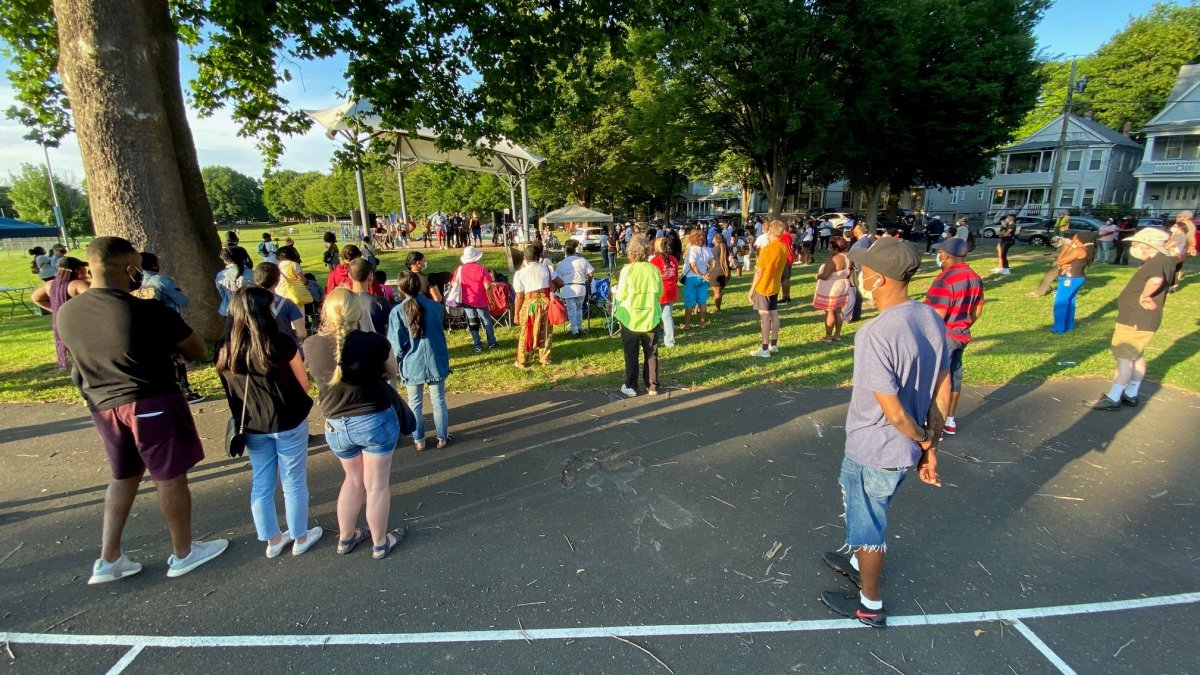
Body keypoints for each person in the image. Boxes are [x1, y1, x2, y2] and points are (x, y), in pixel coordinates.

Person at [56, 236, 227, 584]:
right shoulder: (145, 309)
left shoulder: (67, 312)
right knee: (169, 475)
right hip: (150, 398)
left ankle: (109, 557)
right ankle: (184, 552)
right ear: (130, 269)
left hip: (102, 403)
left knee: (124, 475)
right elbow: (194, 347)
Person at [819, 236, 949, 627]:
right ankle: (860, 562)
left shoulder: (875, 334)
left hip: (875, 447)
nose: (859, 276)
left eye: (863, 271)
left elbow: (892, 411)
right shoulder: (929, 317)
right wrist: (930, 445)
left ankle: (869, 605)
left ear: (878, 279)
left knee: (867, 525)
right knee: (873, 510)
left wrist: (925, 440)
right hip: (900, 449)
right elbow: (943, 384)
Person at [216, 287, 321, 558]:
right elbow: (304, 384)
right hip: (288, 419)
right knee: (293, 480)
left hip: (250, 424)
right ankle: (300, 535)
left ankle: (272, 539)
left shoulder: (225, 348)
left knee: (262, 480)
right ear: (264, 311)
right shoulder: (281, 343)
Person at [304, 288, 406, 559]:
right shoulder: (375, 342)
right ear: (356, 312)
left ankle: (346, 538)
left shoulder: (311, 344)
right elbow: (392, 371)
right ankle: (380, 542)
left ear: (326, 312)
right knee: (376, 485)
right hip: (374, 420)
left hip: (336, 424)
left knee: (352, 481)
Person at [1090, 229, 1177, 411]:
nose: (1134, 246)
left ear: (1147, 244)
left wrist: (1145, 296)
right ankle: (1131, 393)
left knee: (1124, 357)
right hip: (1144, 319)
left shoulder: (1156, 261)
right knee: (1136, 356)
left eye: (1137, 243)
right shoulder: (1166, 260)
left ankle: (1113, 397)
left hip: (1135, 318)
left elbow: (1156, 280)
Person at [924, 238, 984, 436]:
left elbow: (936, 315)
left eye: (939, 252)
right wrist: (964, 325)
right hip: (961, 335)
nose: (938, 256)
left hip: (943, 337)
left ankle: (935, 425)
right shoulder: (974, 277)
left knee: (939, 381)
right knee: (955, 377)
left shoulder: (944, 280)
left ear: (946, 255)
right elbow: (978, 310)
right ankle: (950, 419)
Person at [388, 271, 452, 450]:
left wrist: (397, 361)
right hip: (435, 358)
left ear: (401, 289)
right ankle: (442, 437)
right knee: (438, 401)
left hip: (411, 362)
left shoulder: (397, 312)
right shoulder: (435, 307)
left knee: (414, 403)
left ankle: (419, 440)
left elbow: (396, 344)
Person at [135, 252, 202, 403]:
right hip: (167, 325)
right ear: (153, 264)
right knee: (177, 357)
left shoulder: (134, 282)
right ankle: (184, 389)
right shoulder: (161, 281)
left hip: (142, 326)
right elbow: (183, 301)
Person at [614, 235, 663, 397]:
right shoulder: (654, 269)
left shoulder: (627, 270)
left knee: (631, 353)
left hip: (630, 317)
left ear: (631, 252)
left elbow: (620, 295)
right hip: (650, 316)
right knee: (651, 352)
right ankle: (652, 385)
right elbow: (659, 293)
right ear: (647, 251)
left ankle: (631, 385)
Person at [31, 256, 90, 369]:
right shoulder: (79, 284)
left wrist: (57, 310)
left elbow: (36, 298)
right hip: (82, 325)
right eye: (83, 268)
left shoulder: (50, 285)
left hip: (63, 325)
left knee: (75, 356)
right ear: (77, 270)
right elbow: (99, 298)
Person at [748, 221, 787, 358]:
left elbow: (759, 272)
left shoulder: (767, 249)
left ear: (770, 231)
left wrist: (752, 290)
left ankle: (764, 348)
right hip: (775, 285)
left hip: (763, 286)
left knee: (764, 317)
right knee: (774, 314)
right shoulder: (783, 247)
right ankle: (773, 344)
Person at [512, 244, 555, 369]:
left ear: (525, 257)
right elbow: (554, 284)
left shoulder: (520, 273)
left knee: (526, 331)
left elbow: (519, 296)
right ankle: (545, 359)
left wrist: (516, 313)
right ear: (539, 257)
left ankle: (523, 360)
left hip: (529, 303)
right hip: (545, 302)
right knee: (546, 331)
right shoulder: (547, 269)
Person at [454, 246, 500, 352]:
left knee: (473, 322)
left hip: (467, 300)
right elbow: (488, 286)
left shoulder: (459, 270)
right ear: (476, 258)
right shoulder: (481, 269)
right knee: (486, 321)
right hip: (481, 300)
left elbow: (453, 283)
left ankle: (477, 345)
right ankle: (491, 343)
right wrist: (492, 300)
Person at [254, 263, 308, 345]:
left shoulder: (248, 302)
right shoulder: (287, 303)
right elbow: (302, 333)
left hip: (260, 347)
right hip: (285, 347)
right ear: (278, 280)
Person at [1051, 232, 1094, 334]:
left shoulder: (1079, 250)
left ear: (1080, 240)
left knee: (1060, 302)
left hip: (1069, 279)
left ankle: (1059, 327)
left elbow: (1060, 260)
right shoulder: (1084, 250)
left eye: (1075, 239)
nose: (1072, 240)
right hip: (1077, 277)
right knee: (1070, 301)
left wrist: (1065, 248)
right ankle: (1069, 324)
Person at [813, 236, 853, 342]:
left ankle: (828, 336)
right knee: (838, 310)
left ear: (836, 249)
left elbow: (825, 275)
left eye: (830, 247)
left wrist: (818, 276)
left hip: (832, 286)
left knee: (829, 311)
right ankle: (837, 335)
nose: (828, 249)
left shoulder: (834, 259)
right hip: (843, 285)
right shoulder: (847, 257)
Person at [555, 240, 595, 337]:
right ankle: (579, 327)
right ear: (574, 250)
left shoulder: (561, 263)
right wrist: (589, 281)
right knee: (579, 308)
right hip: (581, 287)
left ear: (566, 251)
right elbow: (591, 273)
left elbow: (558, 278)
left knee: (571, 310)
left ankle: (575, 330)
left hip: (568, 288)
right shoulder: (582, 260)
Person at [681, 230, 714, 330]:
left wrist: (701, 274)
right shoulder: (707, 250)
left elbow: (692, 265)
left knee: (690, 303)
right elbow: (713, 263)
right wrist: (707, 273)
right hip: (704, 279)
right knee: (702, 302)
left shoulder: (691, 249)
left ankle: (687, 325)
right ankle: (702, 323)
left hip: (692, 278)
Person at [649, 237, 679, 348]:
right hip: (671, 290)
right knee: (667, 317)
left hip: (659, 291)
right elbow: (676, 276)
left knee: (654, 318)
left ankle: (651, 342)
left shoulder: (655, 260)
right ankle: (670, 342)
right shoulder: (674, 259)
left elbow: (651, 277)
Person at [347, 258, 390, 334]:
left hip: (352, 345)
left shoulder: (343, 301)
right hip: (377, 344)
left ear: (349, 275)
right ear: (370, 275)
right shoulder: (380, 303)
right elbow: (389, 330)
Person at [216, 246, 255, 317]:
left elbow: (222, 293)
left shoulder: (221, 275)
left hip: (229, 310)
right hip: (250, 309)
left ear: (225, 260)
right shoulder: (252, 273)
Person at [710, 232, 731, 311]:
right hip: (725, 271)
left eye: (713, 238)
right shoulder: (725, 248)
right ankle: (718, 307)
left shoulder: (712, 250)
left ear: (715, 240)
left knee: (717, 292)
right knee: (719, 291)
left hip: (715, 272)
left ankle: (718, 309)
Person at [1168, 220, 1190, 291]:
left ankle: (1171, 288)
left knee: (1171, 272)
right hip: (1179, 257)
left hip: (1175, 256)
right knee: (1176, 271)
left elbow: (1170, 245)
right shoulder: (1179, 235)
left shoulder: (1180, 236)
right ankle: (1174, 287)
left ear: (1180, 228)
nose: (1172, 227)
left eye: (1175, 226)